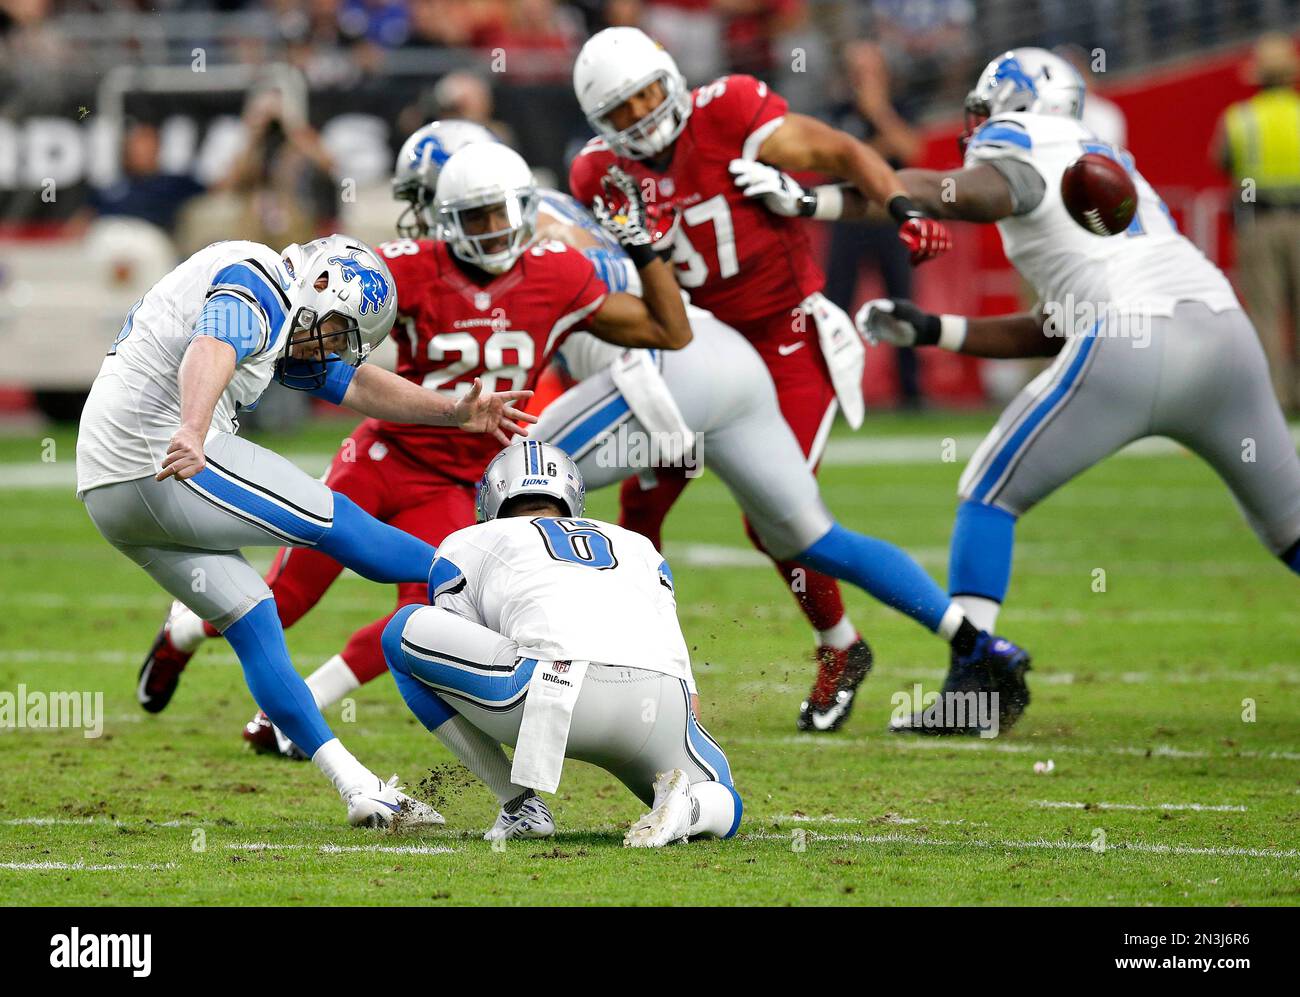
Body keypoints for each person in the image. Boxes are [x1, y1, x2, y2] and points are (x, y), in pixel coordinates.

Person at [141, 131, 692, 821]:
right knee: (284, 596)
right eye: (475, 216)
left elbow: (670, 332)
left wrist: (647, 250)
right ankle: (184, 630)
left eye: (501, 214)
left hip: (459, 482)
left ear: (524, 208)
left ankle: (291, 712)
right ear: (444, 217)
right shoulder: (407, 265)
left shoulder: (561, 270)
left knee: (429, 617)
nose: (492, 231)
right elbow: (325, 309)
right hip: (383, 454)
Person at [847, 48, 1300, 729]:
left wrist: (873, 189)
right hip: (1222, 333)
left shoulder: (1024, 140)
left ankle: (975, 693)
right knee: (1291, 529)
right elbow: (1059, 323)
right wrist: (937, 330)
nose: (976, 127)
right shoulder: (1115, 168)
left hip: (1133, 342)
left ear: (1015, 104)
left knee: (988, 491)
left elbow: (969, 192)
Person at [569, 26, 953, 729]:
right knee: (641, 508)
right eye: (621, 109)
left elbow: (840, 150)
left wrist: (902, 205)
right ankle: (637, 659)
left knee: (776, 520)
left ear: (671, 78)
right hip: (696, 350)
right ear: (600, 122)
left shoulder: (731, 108)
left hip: (786, 339)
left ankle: (841, 644)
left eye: (648, 95)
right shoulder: (599, 173)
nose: (641, 116)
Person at [79, 233, 533, 825]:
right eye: (339, 329)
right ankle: (495, 574)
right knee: (340, 525)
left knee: (255, 622)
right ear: (320, 283)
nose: (336, 347)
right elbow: (212, 343)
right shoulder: (260, 274)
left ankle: (360, 790)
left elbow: (357, 385)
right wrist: (193, 428)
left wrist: (452, 413)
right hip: (162, 454)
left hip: (108, 491)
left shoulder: (286, 304)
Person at [382, 441, 742, 847]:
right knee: (722, 794)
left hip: (554, 692)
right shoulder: (638, 546)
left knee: (400, 633)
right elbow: (674, 653)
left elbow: (462, 646)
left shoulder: (468, 542)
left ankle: (521, 805)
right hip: (659, 702)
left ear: (492, 496)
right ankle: (692, 809)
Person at [1211, 33, 1300, 412]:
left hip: (1258, 223)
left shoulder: (1240, 118)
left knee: (1265, 313)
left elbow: (1223, 160)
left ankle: (1276, 399)